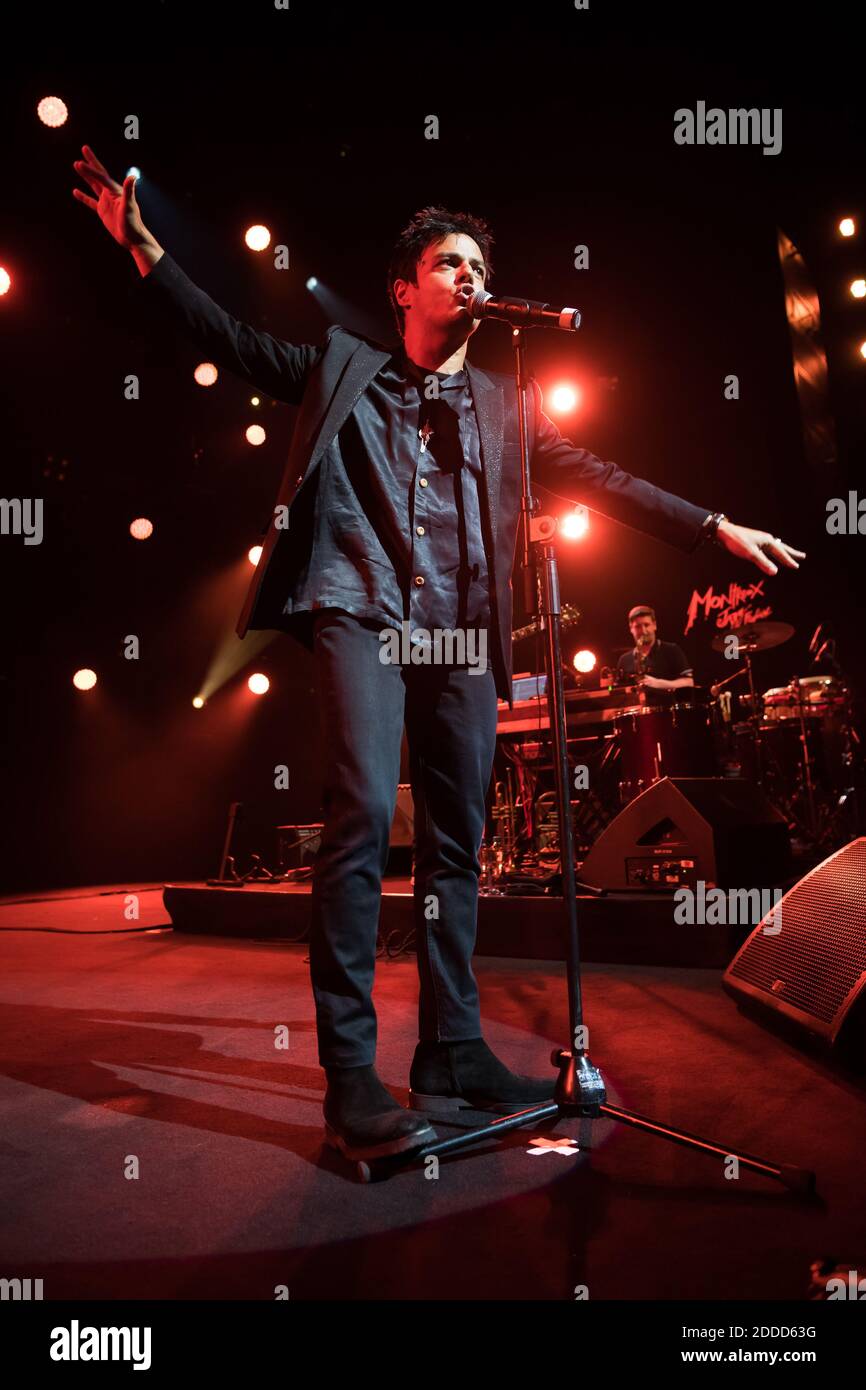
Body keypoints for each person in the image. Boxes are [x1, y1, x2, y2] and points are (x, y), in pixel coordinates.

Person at [73, 146, 806, 1163]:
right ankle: (348, 1077)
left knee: (460, 845)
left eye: (477, 266)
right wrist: (149, 253)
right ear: (403, 289)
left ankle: (453, 1053)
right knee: (365, 816)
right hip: (359, 608)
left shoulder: (507, 408)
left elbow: (598, 475)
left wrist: (711, 522)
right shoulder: (343, 365)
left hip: (459, 633)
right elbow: (231, 337)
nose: (470, 278)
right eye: (449, 264)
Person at [615, 605, 695, 691]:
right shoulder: (624, 660)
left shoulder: (672, 650)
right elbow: (617, 691)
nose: (643, 631)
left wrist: (658, 683)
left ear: (654, 625)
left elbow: (689, 682)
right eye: (638, 627)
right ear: (631, 629)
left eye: (646, 625)